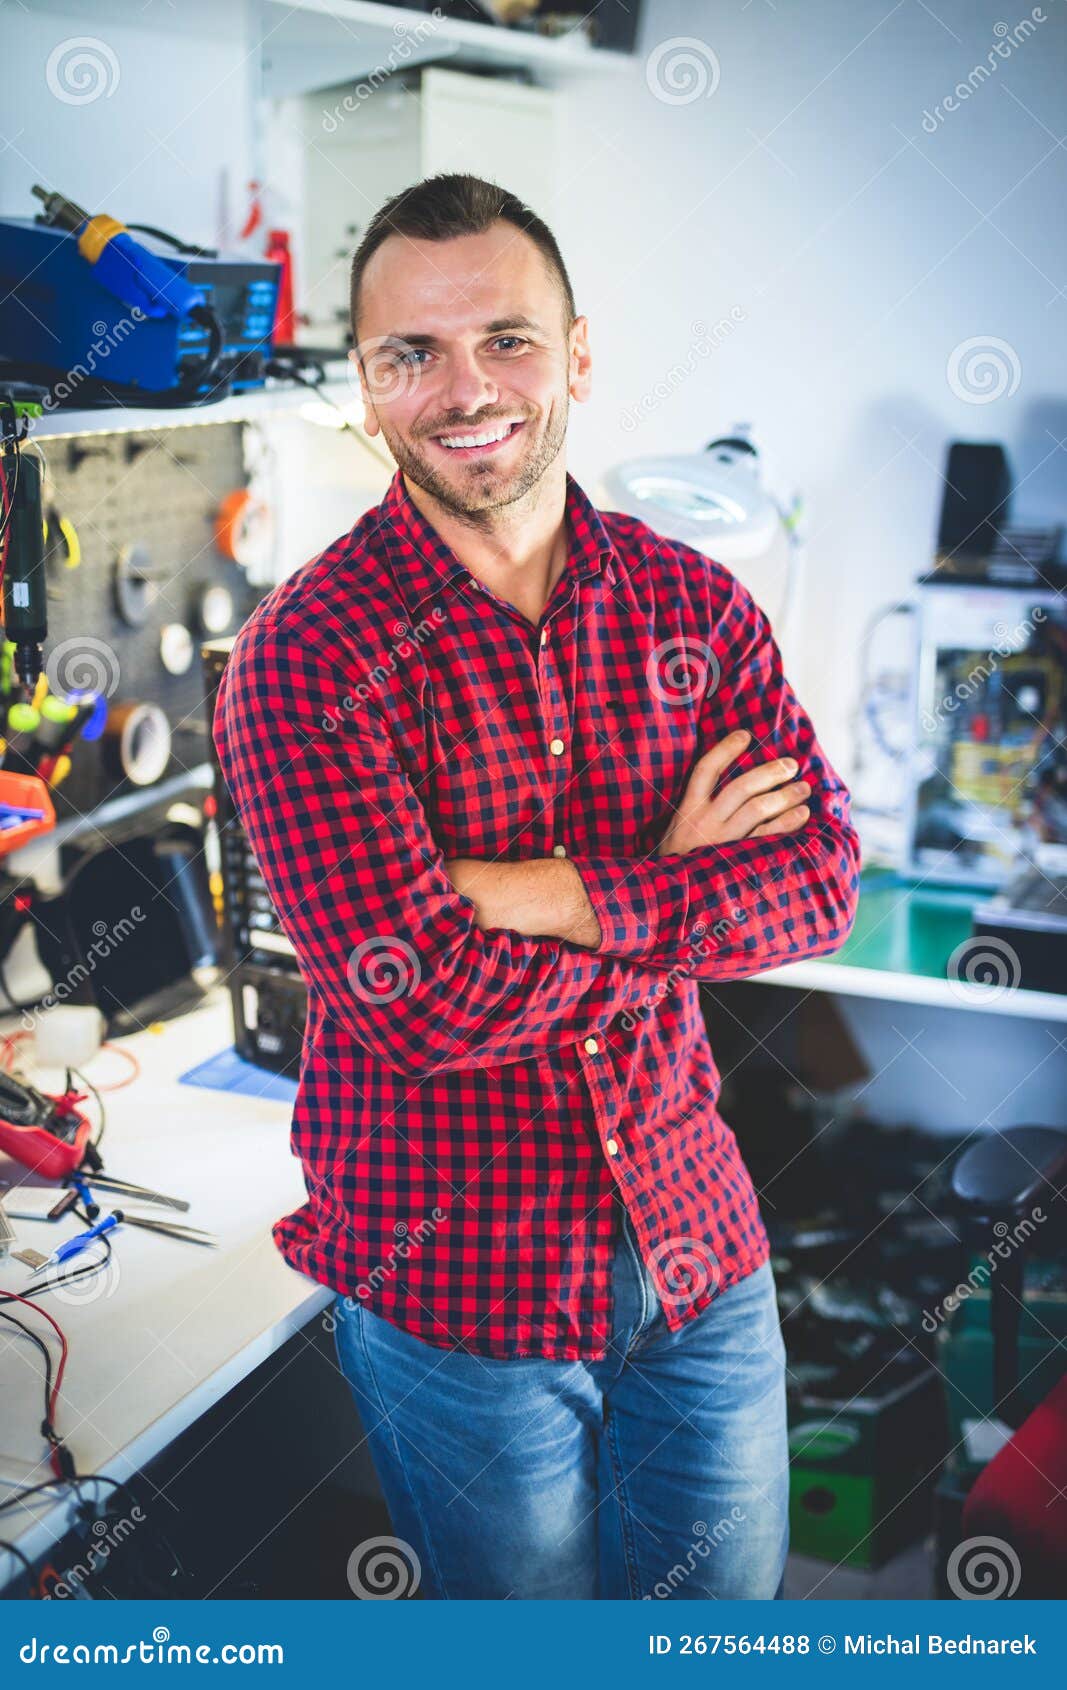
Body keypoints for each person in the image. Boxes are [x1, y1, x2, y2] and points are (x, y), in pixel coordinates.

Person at [212, 173, 861, 1601]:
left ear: (577, 351)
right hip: (459, 1292)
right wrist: (678, 884)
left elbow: (818, 889)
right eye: (411, 355)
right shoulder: (303, 664)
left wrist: (555, 889)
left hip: (696, 1247)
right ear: (363, 390)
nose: (465, 389)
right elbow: (419, 998)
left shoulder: (693, 604)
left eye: (504, 338)